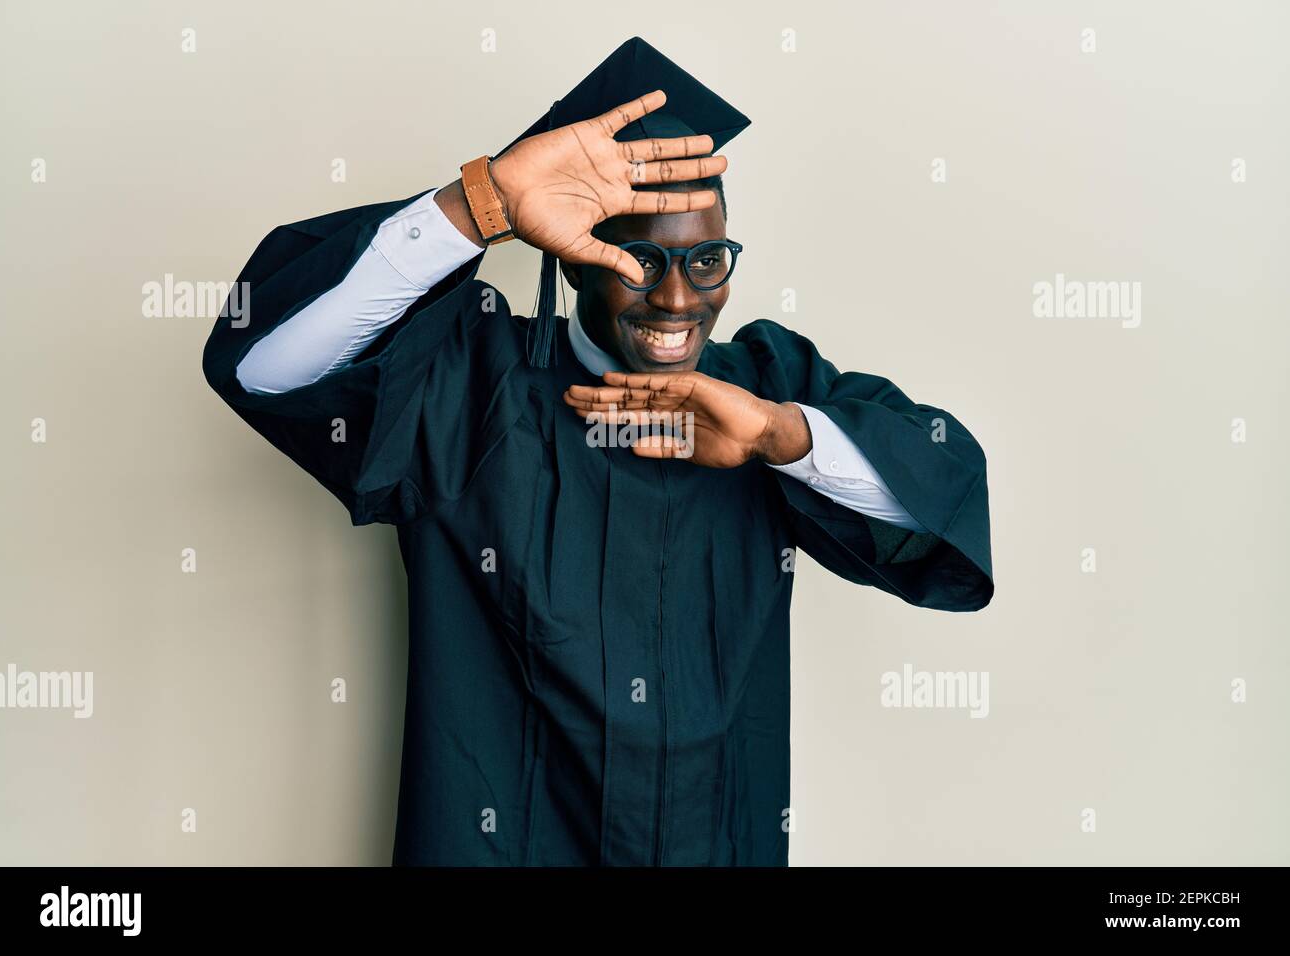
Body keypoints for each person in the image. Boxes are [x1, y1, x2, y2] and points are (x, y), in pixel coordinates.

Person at [202, 37, 994, 866]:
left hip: (717, 841)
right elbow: (265, 369)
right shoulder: (471, 380)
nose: (678, 298)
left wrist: (777, 436)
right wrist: (480, 204)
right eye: (641, 260)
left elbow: (943, 495)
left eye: (707, 260)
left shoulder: (767, 384)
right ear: (576, 261)